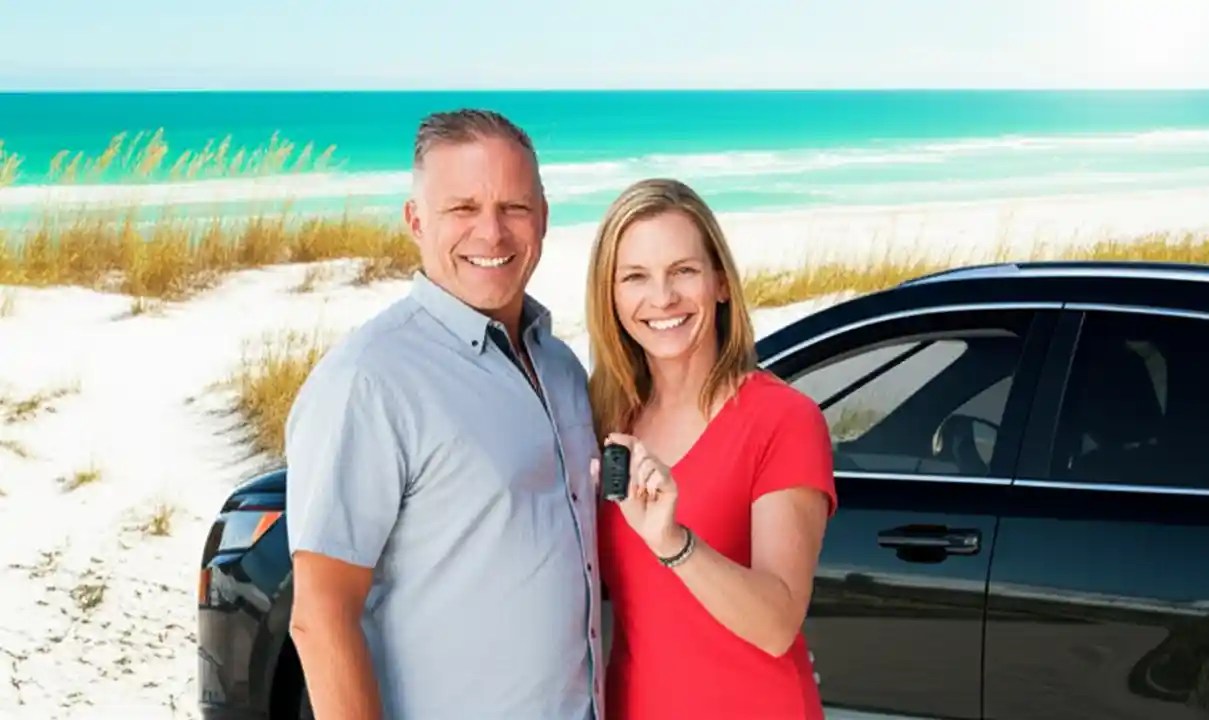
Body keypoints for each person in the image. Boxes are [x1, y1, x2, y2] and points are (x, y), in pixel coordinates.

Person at [283, 109, 604, 720]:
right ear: (415, 220)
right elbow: (319, 617)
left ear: (542, 217)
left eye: (514, 207)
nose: (492, 233)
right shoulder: (369, 379)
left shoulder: (562, 368)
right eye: (463, 208)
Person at [585, 178, 836, 719]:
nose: (662, 297)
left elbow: (777, 624)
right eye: (635, 276)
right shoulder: (607, 420)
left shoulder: (783, 419)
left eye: (683, 270)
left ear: (720, 282)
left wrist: (673, 542)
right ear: (611, 296)